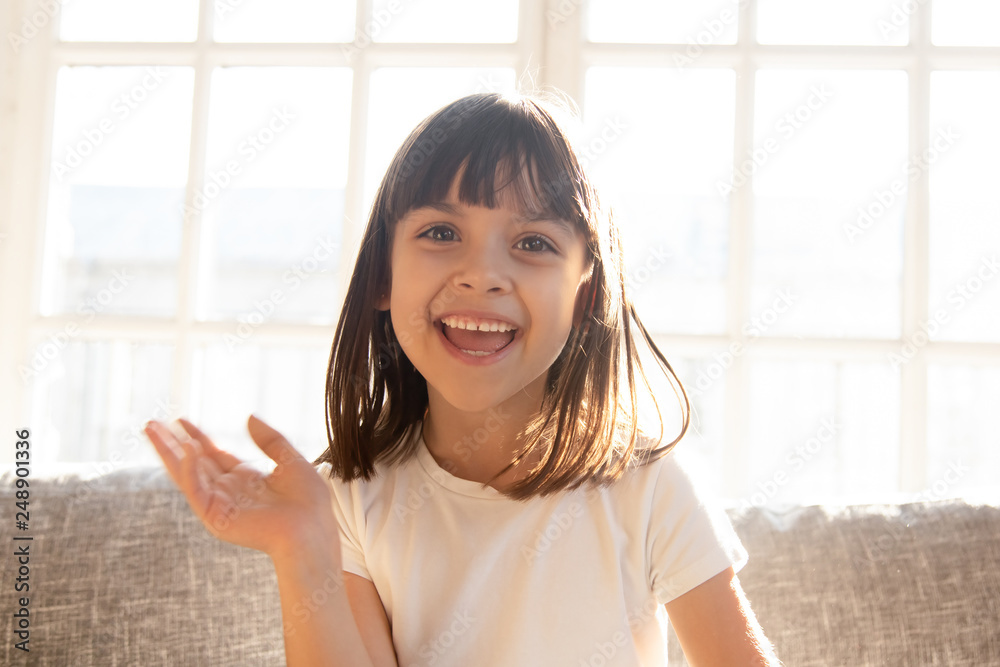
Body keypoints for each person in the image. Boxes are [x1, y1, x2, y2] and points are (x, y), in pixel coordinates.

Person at [145, 91, 780, 666]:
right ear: (382, 277)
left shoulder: (651, 487)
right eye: (442, 232)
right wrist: (300, 550)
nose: (482, 274)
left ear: (586, 294)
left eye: (533, 243)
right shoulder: (350, 500)